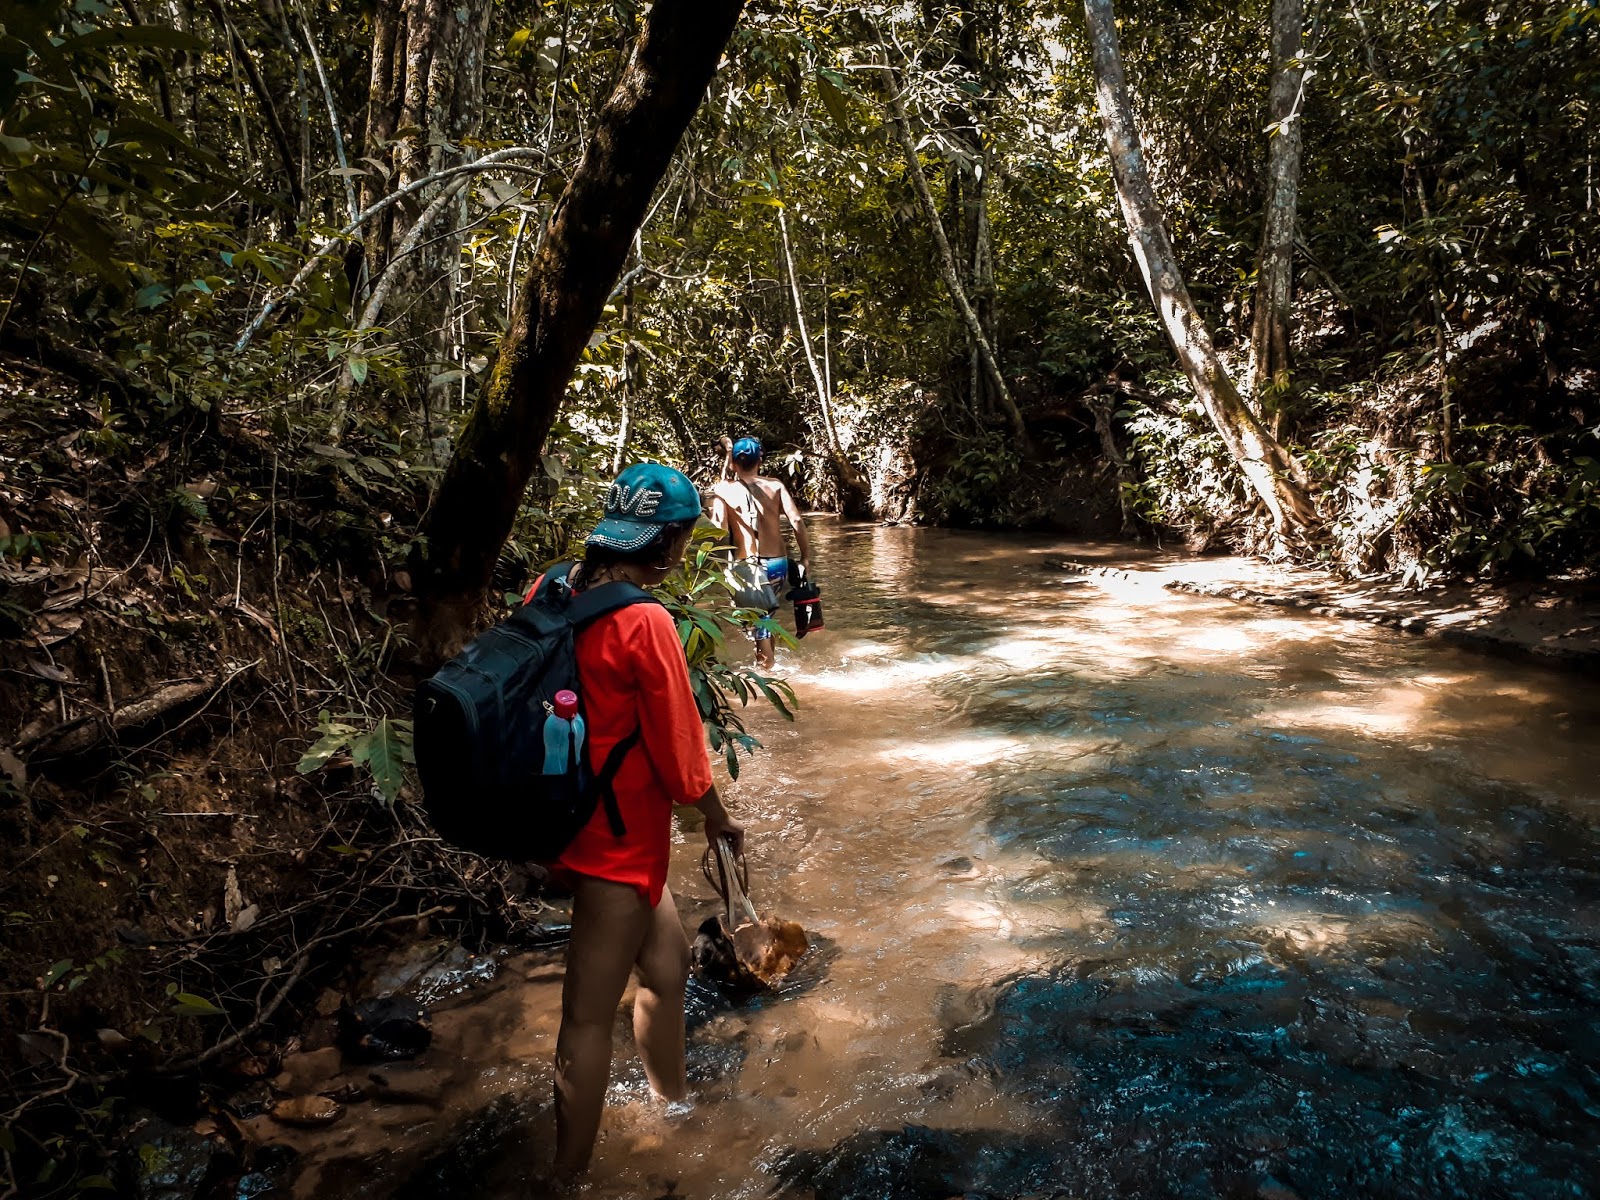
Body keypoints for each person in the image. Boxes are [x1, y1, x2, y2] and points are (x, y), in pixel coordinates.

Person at [527, 462, 746, 1183]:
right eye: (681, 541)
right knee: (587, 1018)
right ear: (666, 545)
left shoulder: (553, 588)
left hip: (574, 819)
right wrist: (717, 819)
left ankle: (672, 1107)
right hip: (612, 843)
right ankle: (566, 1180)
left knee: (668, 964)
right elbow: (682, 759)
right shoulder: (644, 621)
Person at [708, 436, 812, 670]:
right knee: (765, 618)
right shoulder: (775, 485)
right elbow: (796, 520)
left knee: (757, 621)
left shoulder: (724, 490)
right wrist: (805, 556)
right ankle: (769, 662)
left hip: (748, 565)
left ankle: (766, 671)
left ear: (734, 462)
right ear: (760, 460)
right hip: (778, 564)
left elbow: (719, 531)